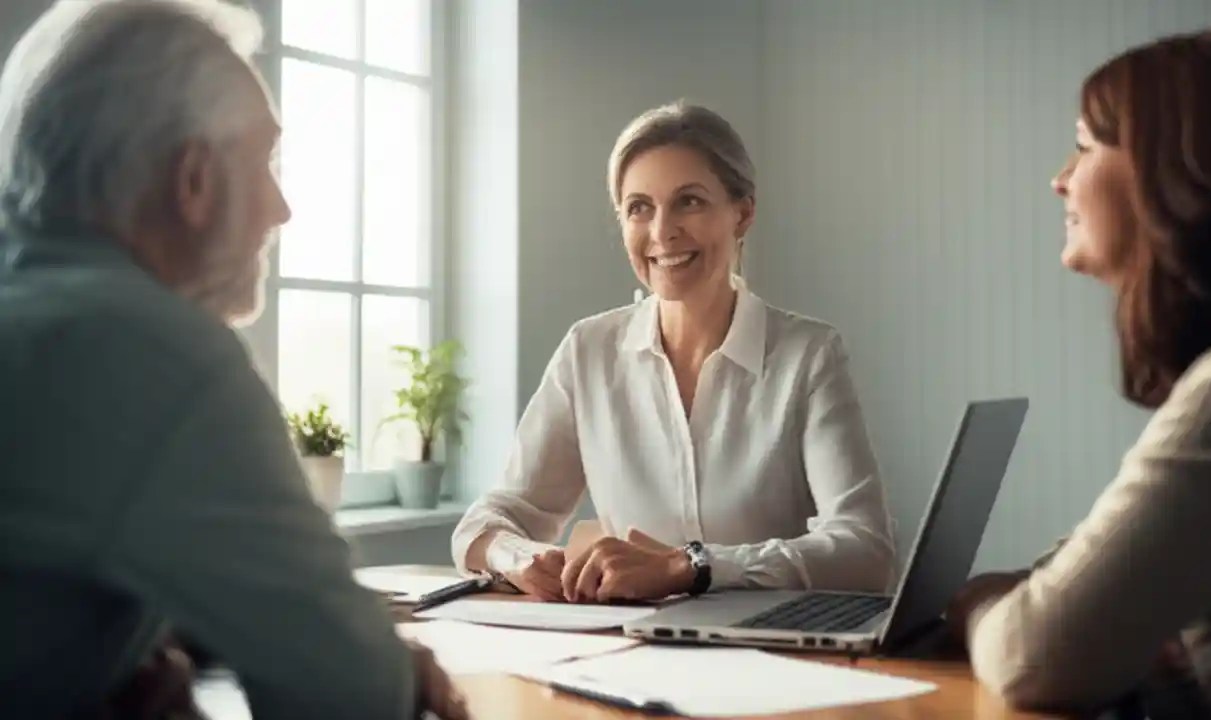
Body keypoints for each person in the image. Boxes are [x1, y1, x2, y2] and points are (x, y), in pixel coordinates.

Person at [0, 2, 465, 718]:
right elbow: (354, 696)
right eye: (266, 161)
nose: (282, 209)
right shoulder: (152, 354)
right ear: (194, 179)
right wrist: (381, 664)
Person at [947, 31, 1211, 718]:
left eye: (1085, 145)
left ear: (1173, 172)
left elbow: (1034, 656)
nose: (1060, 179)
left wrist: (977, 604)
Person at [452, 102, 896, 604]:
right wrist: (522, 559)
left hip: (765, 642)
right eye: (639, 207)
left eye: (689, 202)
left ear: (743, 213)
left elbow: (867, 550)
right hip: (627, 641)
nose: (662, 231)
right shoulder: (588, 351)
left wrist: (691, 566)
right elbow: (485, 524)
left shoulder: (808, 356)